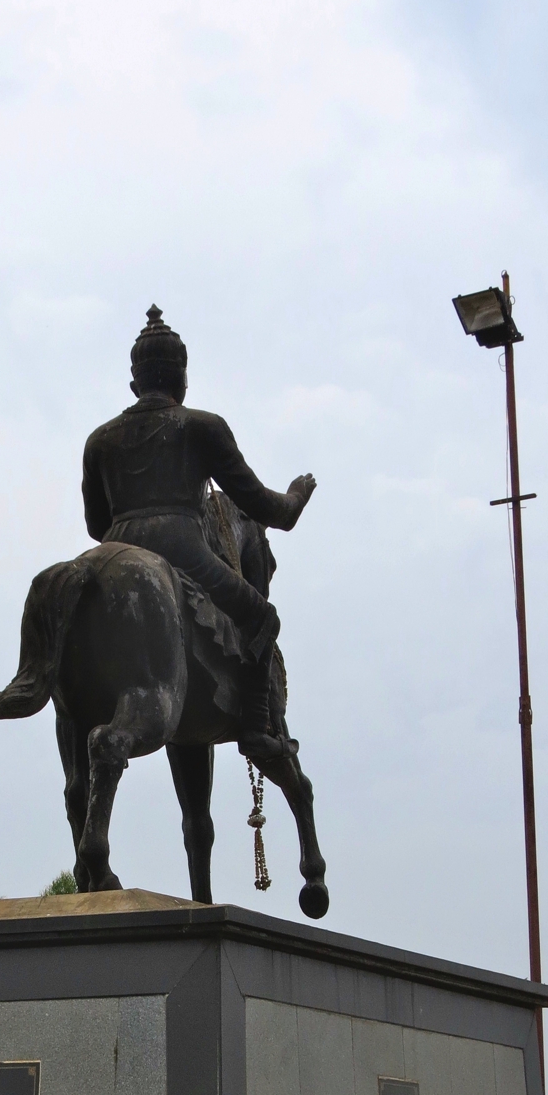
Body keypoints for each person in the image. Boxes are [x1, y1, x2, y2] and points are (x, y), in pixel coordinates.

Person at [81, 306, 315, 765]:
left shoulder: (100, 440)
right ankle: (256, 731)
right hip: (183, 549)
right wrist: (297, 495)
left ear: (135, 384)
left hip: (114, 547)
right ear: (182, 380)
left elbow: (94, 525)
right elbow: (270, 511)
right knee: (262, 618)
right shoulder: (201, 426)